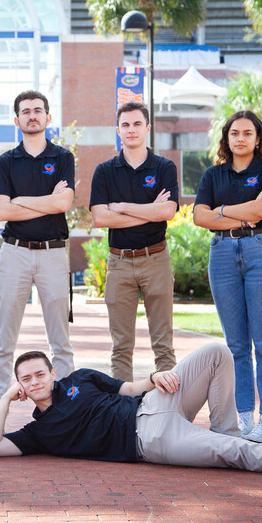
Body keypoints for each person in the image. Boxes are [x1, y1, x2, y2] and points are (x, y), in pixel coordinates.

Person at [0, 346, 262, 481]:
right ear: (21, 385)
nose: (35, 381)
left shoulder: (80, 377)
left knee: (216, 353)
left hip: (154, 403)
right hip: (151, 441)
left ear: (53, 373)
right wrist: (3, 399)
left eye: (40, 373)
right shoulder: (37, 433)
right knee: (240, 457)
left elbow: (129, 389)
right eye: (26, 379)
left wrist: (157, 377)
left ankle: (227, 431)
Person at [192, 111, 262, 444]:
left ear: (258, 138)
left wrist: (222, 210)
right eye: (235, 133)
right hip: (222, 254)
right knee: (236, 346)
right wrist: (238, 211)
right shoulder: (212, 175)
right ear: (226, 138)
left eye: (248, 133)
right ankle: (244, 418)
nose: (241, 138)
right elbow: (199, 217)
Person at [0, 90, 75, 410]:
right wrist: (44, 203)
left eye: (38, 110)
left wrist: (20, 201)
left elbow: (63, 202)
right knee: (3, 339)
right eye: (26, 111)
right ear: (17, 120)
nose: (32, 115)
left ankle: (68, 404)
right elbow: (2, 212)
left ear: (48, 118)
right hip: (15, 253)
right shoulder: (6, 161)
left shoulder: (62, 157)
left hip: (53, 254)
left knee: (61, 340)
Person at [90, 101, 178, 381]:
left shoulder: (164, 167)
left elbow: (167, 211)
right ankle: (123, 412)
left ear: (147, 128)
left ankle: (168, 410)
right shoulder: (104, 171)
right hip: (119, 263)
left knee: (163, 346)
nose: (131, 130)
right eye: (125, 125)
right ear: (118, 130)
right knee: (121, 347)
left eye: (137, 124)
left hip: (156, 260)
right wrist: (148, 211)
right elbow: (100, 218)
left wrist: (122, 206)